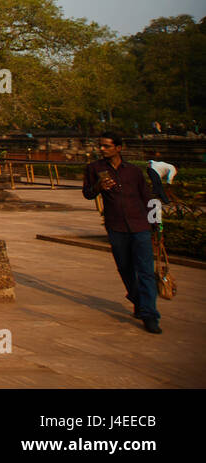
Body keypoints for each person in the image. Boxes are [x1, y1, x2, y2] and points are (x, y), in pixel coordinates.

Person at [82, 133, 160, 333]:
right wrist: (99, 186)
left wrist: (156, 225)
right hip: (116, 225)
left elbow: (148, 198)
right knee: (125, 267)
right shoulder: (94, 169)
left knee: (145, 271)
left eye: (107, 146)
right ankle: (138, 299)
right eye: (100, 146)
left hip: (140, 224)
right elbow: (88, 194)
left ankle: (149, 314)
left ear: (118, 148)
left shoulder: (133, 171)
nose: (102, 149)